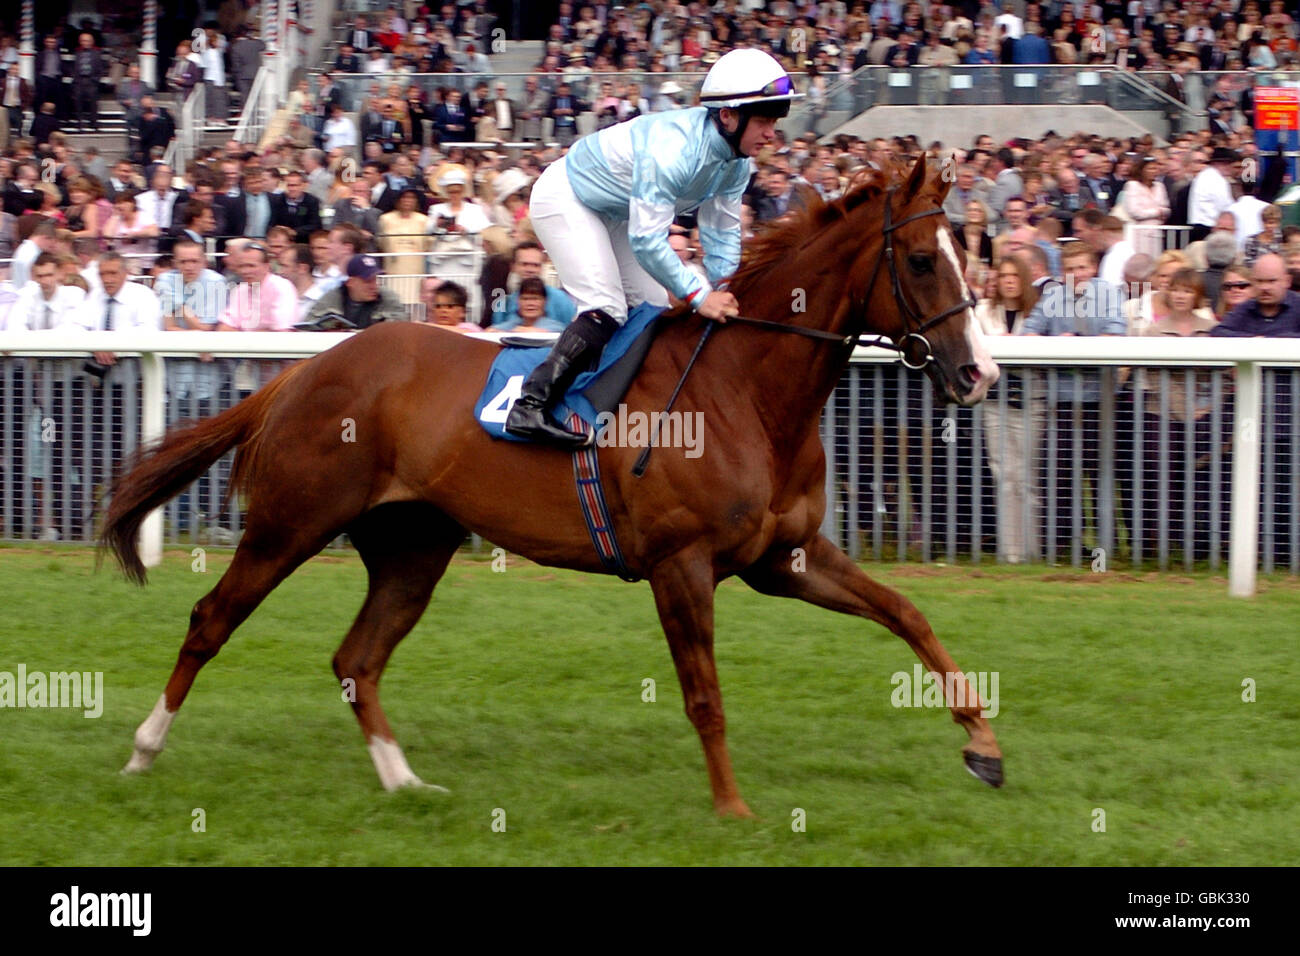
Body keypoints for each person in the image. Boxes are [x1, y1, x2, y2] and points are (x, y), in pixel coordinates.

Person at [504, 48, 799, 448]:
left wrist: (727, 289)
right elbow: (647, 239)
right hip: (567, 196)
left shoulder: (736, 163)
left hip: (616, 211)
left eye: (775, 122)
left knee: (649, 310)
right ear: (728, 116)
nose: (771, 134)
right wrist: (699, 295)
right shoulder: (673, 150)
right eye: (764, 120)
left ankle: (612, 406)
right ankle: (531, 406)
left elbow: (721, 236)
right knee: (606, 306)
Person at [977, 255, 1042, 561]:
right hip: (995, 402)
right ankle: (1010, 553)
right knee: (1003, 474)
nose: (1009, 280)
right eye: (1003, 275)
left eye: (1015, 275)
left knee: (1026, 477)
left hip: (1030, 402)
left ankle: (1031, 550)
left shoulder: (1039, 311)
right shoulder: (983, 311)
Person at [305, 253, 406, 329]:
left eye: (376, 279)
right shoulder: (331, 298)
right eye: (367, 281)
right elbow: (308, 325)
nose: (374, 286)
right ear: (350, 282)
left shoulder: (387, 298)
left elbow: (401, 328)